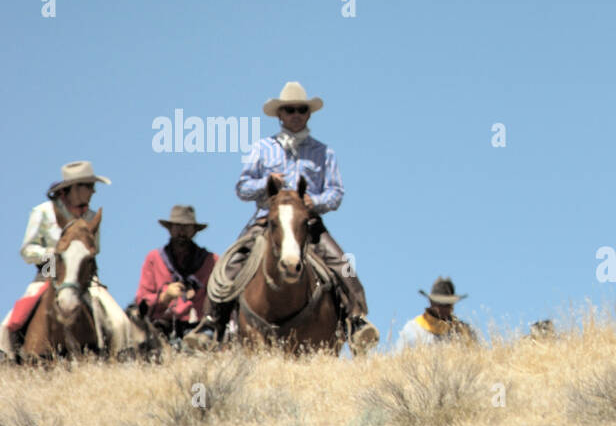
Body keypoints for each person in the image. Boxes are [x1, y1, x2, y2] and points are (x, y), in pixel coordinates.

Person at [187, 81, 380, 351]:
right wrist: (265, 181)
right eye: (290, 110)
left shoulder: (324, 152)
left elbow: (336, 192)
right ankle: (211, 323)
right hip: (268, 221)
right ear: (279, 114)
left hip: (308, 223)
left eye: (301, 109)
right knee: (229, 264)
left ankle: (357, 320)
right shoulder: (260, 149)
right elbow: (242, 188)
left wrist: (317, 201)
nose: (296, 115)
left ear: (309, 114)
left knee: (343, 264)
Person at [0, 160, 127, 359]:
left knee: (120, 323)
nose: (93, 192)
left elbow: (96, 249)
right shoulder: (42, 212)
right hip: (47, 276)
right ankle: (8, 363)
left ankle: (118, 363)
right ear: (74, 188)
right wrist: (55, 255)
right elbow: (26, 250)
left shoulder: (92, 216)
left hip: (85, 281)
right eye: (89, 186)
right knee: (7, 327)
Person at [134, 205, 218, 340]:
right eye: (178, 227)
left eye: (186, 227)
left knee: (205, 340)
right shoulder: (154, 259)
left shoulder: (211, 261)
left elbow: (220, 301)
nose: (181, 233)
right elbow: (141, 300)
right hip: (162, 328)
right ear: (170, 229)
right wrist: (164, 297)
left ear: (194, 231)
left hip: (200, 328)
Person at [397, 277, 477, 347]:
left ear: (452, 305)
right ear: (431, 302)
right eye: (439, 303)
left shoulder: (465, 331)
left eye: (447, 304)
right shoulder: (412, 329)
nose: (442, 308)